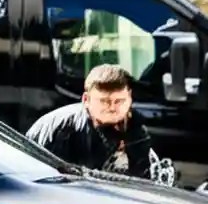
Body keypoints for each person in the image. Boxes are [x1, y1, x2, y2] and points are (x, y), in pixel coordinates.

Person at [26, 64, 154, 178]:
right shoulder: (64, 131)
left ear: (130, 98)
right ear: (86, 100)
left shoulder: (136, 129)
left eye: (119, 101)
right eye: (104, 101)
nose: (112, 107)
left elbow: (142, 178)